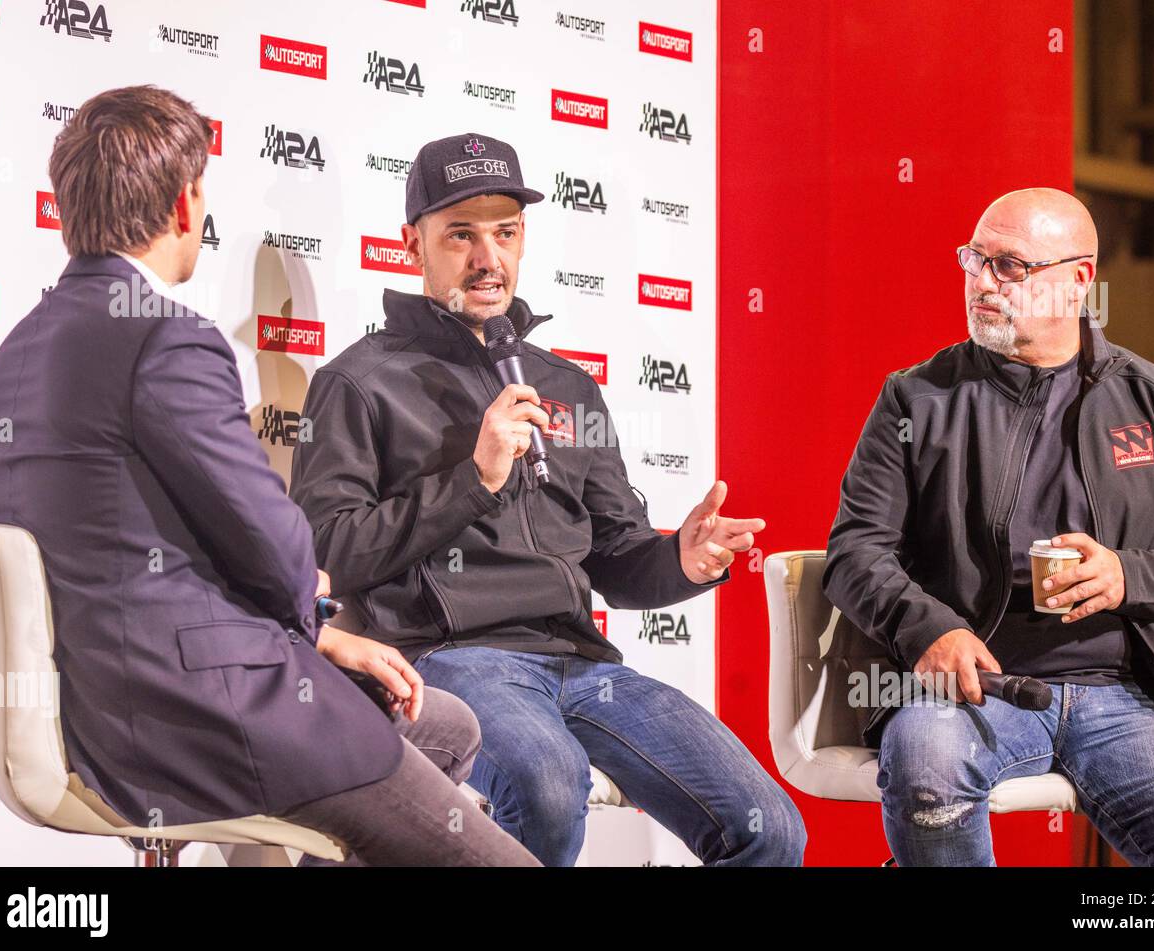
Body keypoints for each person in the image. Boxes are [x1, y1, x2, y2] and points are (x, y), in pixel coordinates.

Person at [0, 86, 536, 867]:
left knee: (447, 724)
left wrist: (325, 640)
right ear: (183, 202)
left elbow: (149, 559)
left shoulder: (14, 357)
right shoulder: (166, 342)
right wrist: (310, 618)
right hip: (204, 719)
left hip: (98, 714)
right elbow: (276, 546)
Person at [289, 132, 807, 866]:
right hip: (452, 660)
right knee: (550, 787)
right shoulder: (358, 383)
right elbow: (325, 557)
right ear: (413, 244)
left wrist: (683, 561)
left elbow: (619, 560)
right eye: (460, 234)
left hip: (583, 665)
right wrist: (474, 477)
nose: (486, 257)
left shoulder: (566, 386)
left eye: (503, 232)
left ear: (524, 238)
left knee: (769, 826)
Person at [821, 187, 1154, 866]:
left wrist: (1126, 574)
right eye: (975, 259)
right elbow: (854, 552)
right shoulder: (917, 396)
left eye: (1010, 266)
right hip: (977, 692)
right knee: (926, 772)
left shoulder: (1152, 395)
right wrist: (930, 627)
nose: (983, 283)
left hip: (1126, 698)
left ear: (1079, 280)